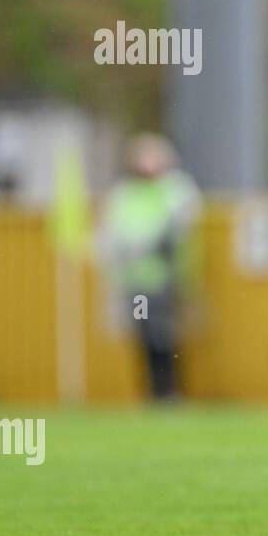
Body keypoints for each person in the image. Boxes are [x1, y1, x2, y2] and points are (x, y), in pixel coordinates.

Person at [100, 133, 201, 401]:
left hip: (166, 278)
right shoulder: (125, 193)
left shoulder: (175, 189)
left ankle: (169, 391)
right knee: (144, 338)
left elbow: (179, 227)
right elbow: (114, 234)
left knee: (165, 337)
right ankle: (154, 392)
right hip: (135, 280)